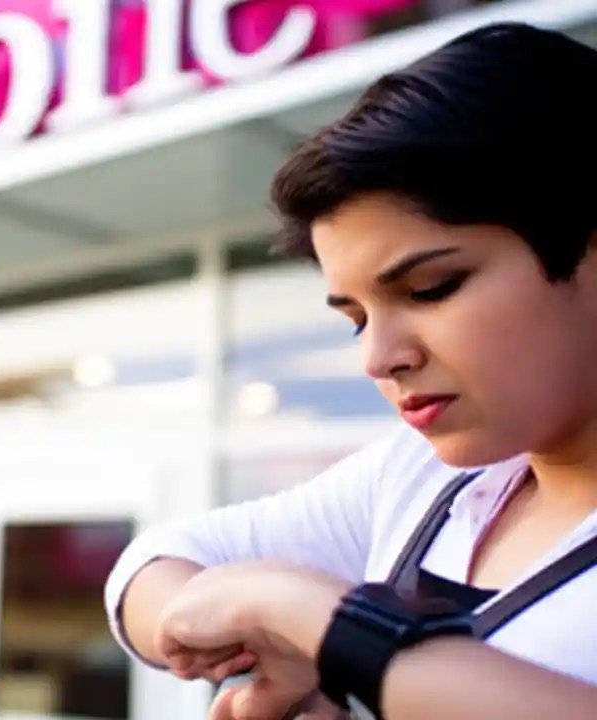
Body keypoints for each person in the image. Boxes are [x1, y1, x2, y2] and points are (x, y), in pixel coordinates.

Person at [104, 20, 597, 720]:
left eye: (430, 288)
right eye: (356, 317)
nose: (378, 357)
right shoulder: (431, 482)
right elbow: (153, 562)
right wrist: (260, 630)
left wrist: (310, 617)